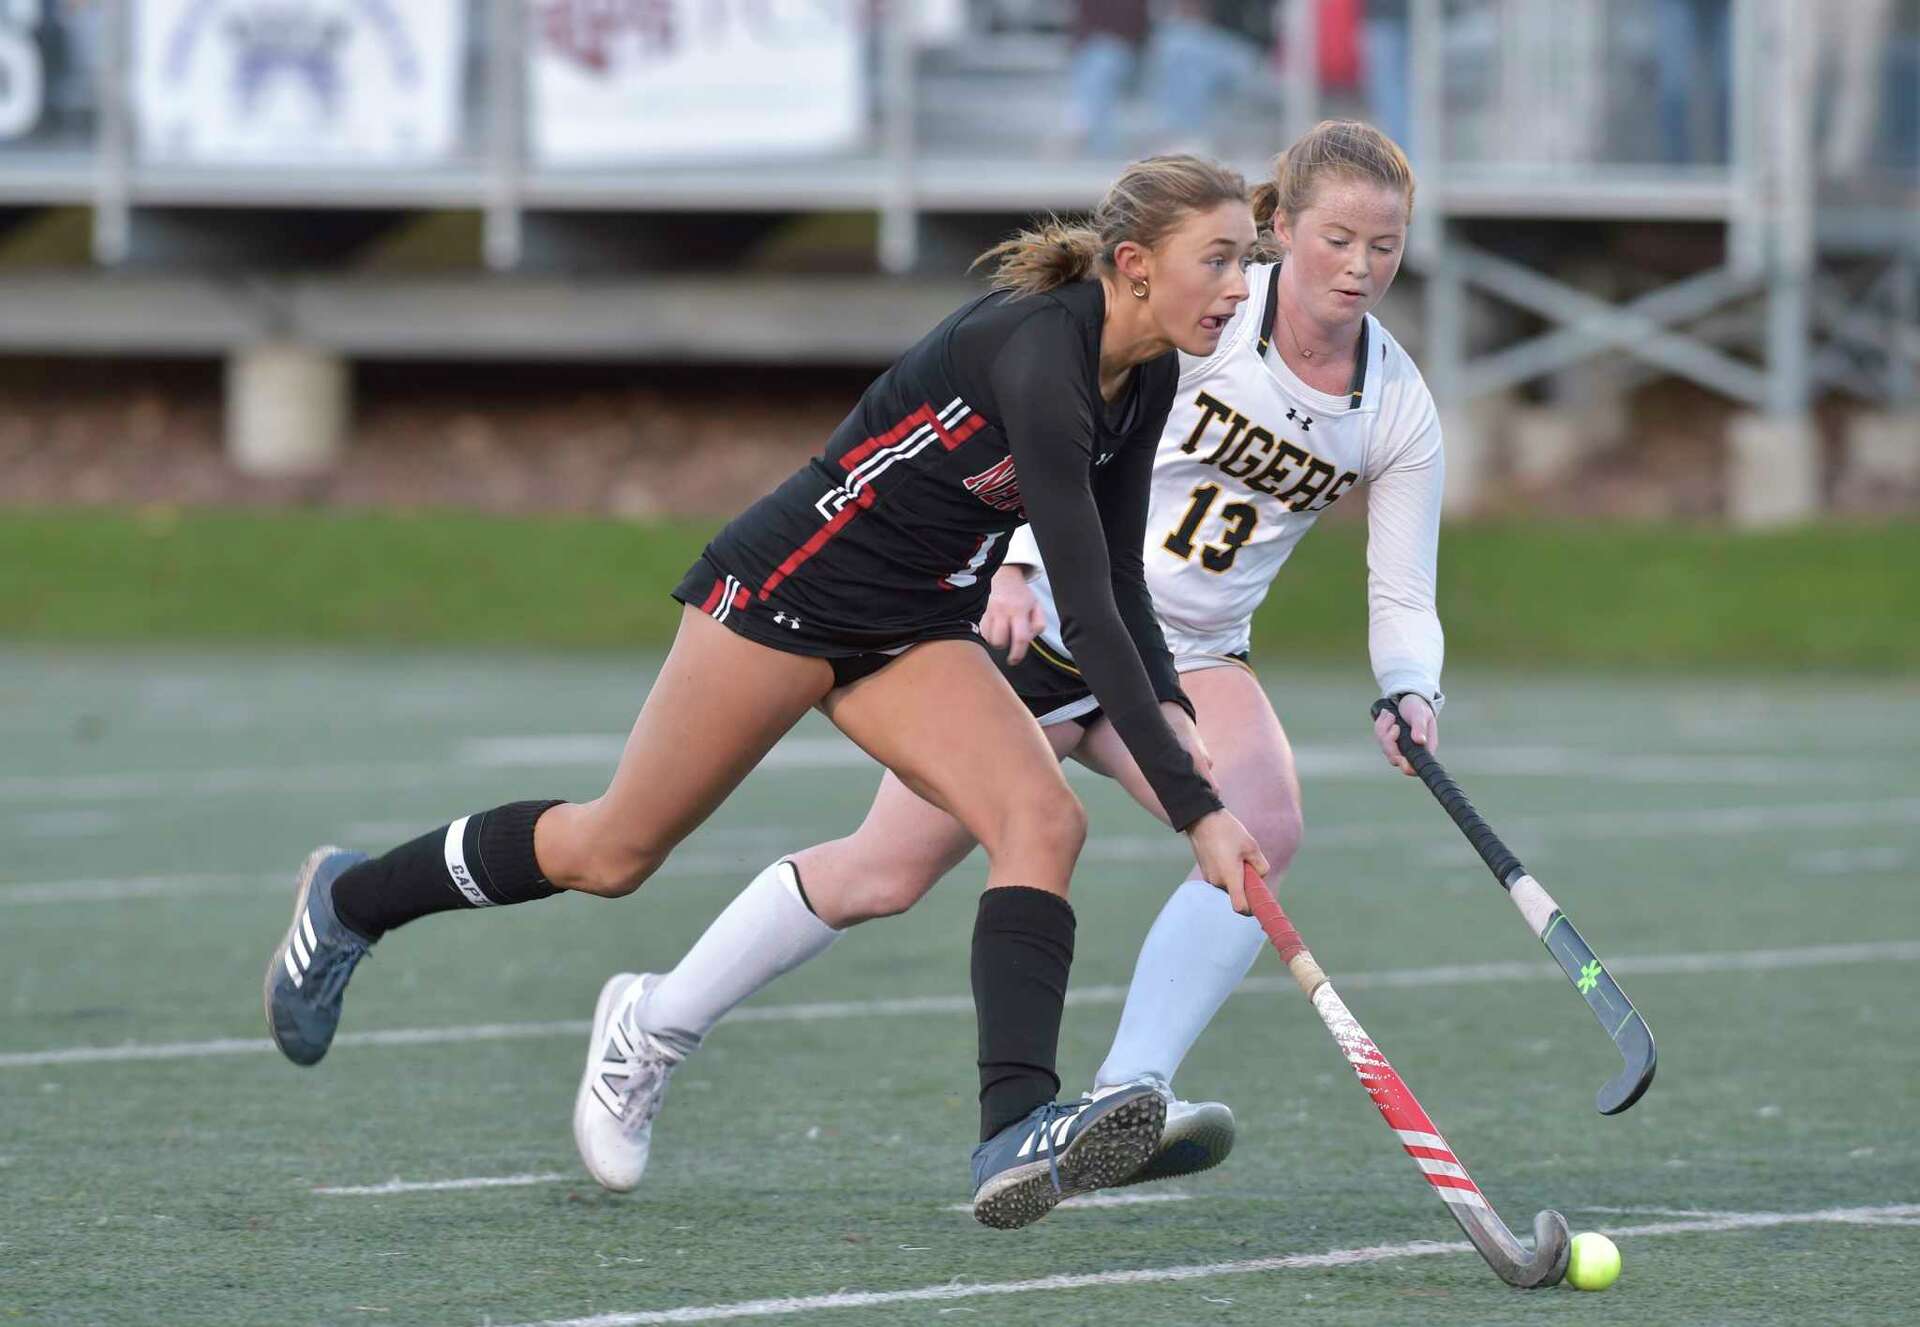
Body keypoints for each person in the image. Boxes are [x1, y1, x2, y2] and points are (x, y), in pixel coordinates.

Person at [262, 154, 1267, 1230]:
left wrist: (1165, 707)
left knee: (1040, 818)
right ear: (1134, 264)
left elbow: (1119, 573)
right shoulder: (1041, 356)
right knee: (612, 852)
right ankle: (353, 897)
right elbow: (1081, 590)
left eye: (1245, 261)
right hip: (788, 594)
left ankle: (1011, 1131)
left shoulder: (1146, 368)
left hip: (915, 621)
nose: (1240, 286)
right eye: (1218, 259)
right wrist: (1198, 807)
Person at [602, 119, 1444, 1205]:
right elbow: (1054, 428)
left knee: (1262, 831)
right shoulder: (1209, 306)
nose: (1361, 268)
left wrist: (1409, 687)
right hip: (1048, 619)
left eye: (1387, 246)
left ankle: (1127, 1093)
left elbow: (1403, 591)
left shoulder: (1397, 403)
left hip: (1187, 654)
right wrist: (1006, 563)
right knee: (885, 872)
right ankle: (654, 1024)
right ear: (1284, 227)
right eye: (1339, 239)